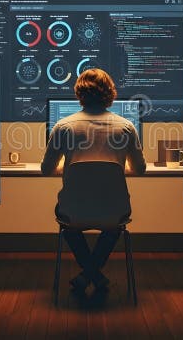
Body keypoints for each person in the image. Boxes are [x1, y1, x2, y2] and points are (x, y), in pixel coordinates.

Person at [41, 68, 146, 294]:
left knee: (65, 220)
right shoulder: (127, 127)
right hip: (114, 211)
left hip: (73, 211)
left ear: (79, 93)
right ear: (110, 93)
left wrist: (71, 166)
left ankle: (88, 273)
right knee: (116, 224)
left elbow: (46, 169)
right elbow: (140, 169)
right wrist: (115, 166)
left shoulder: (63, 127)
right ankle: (93, 274)